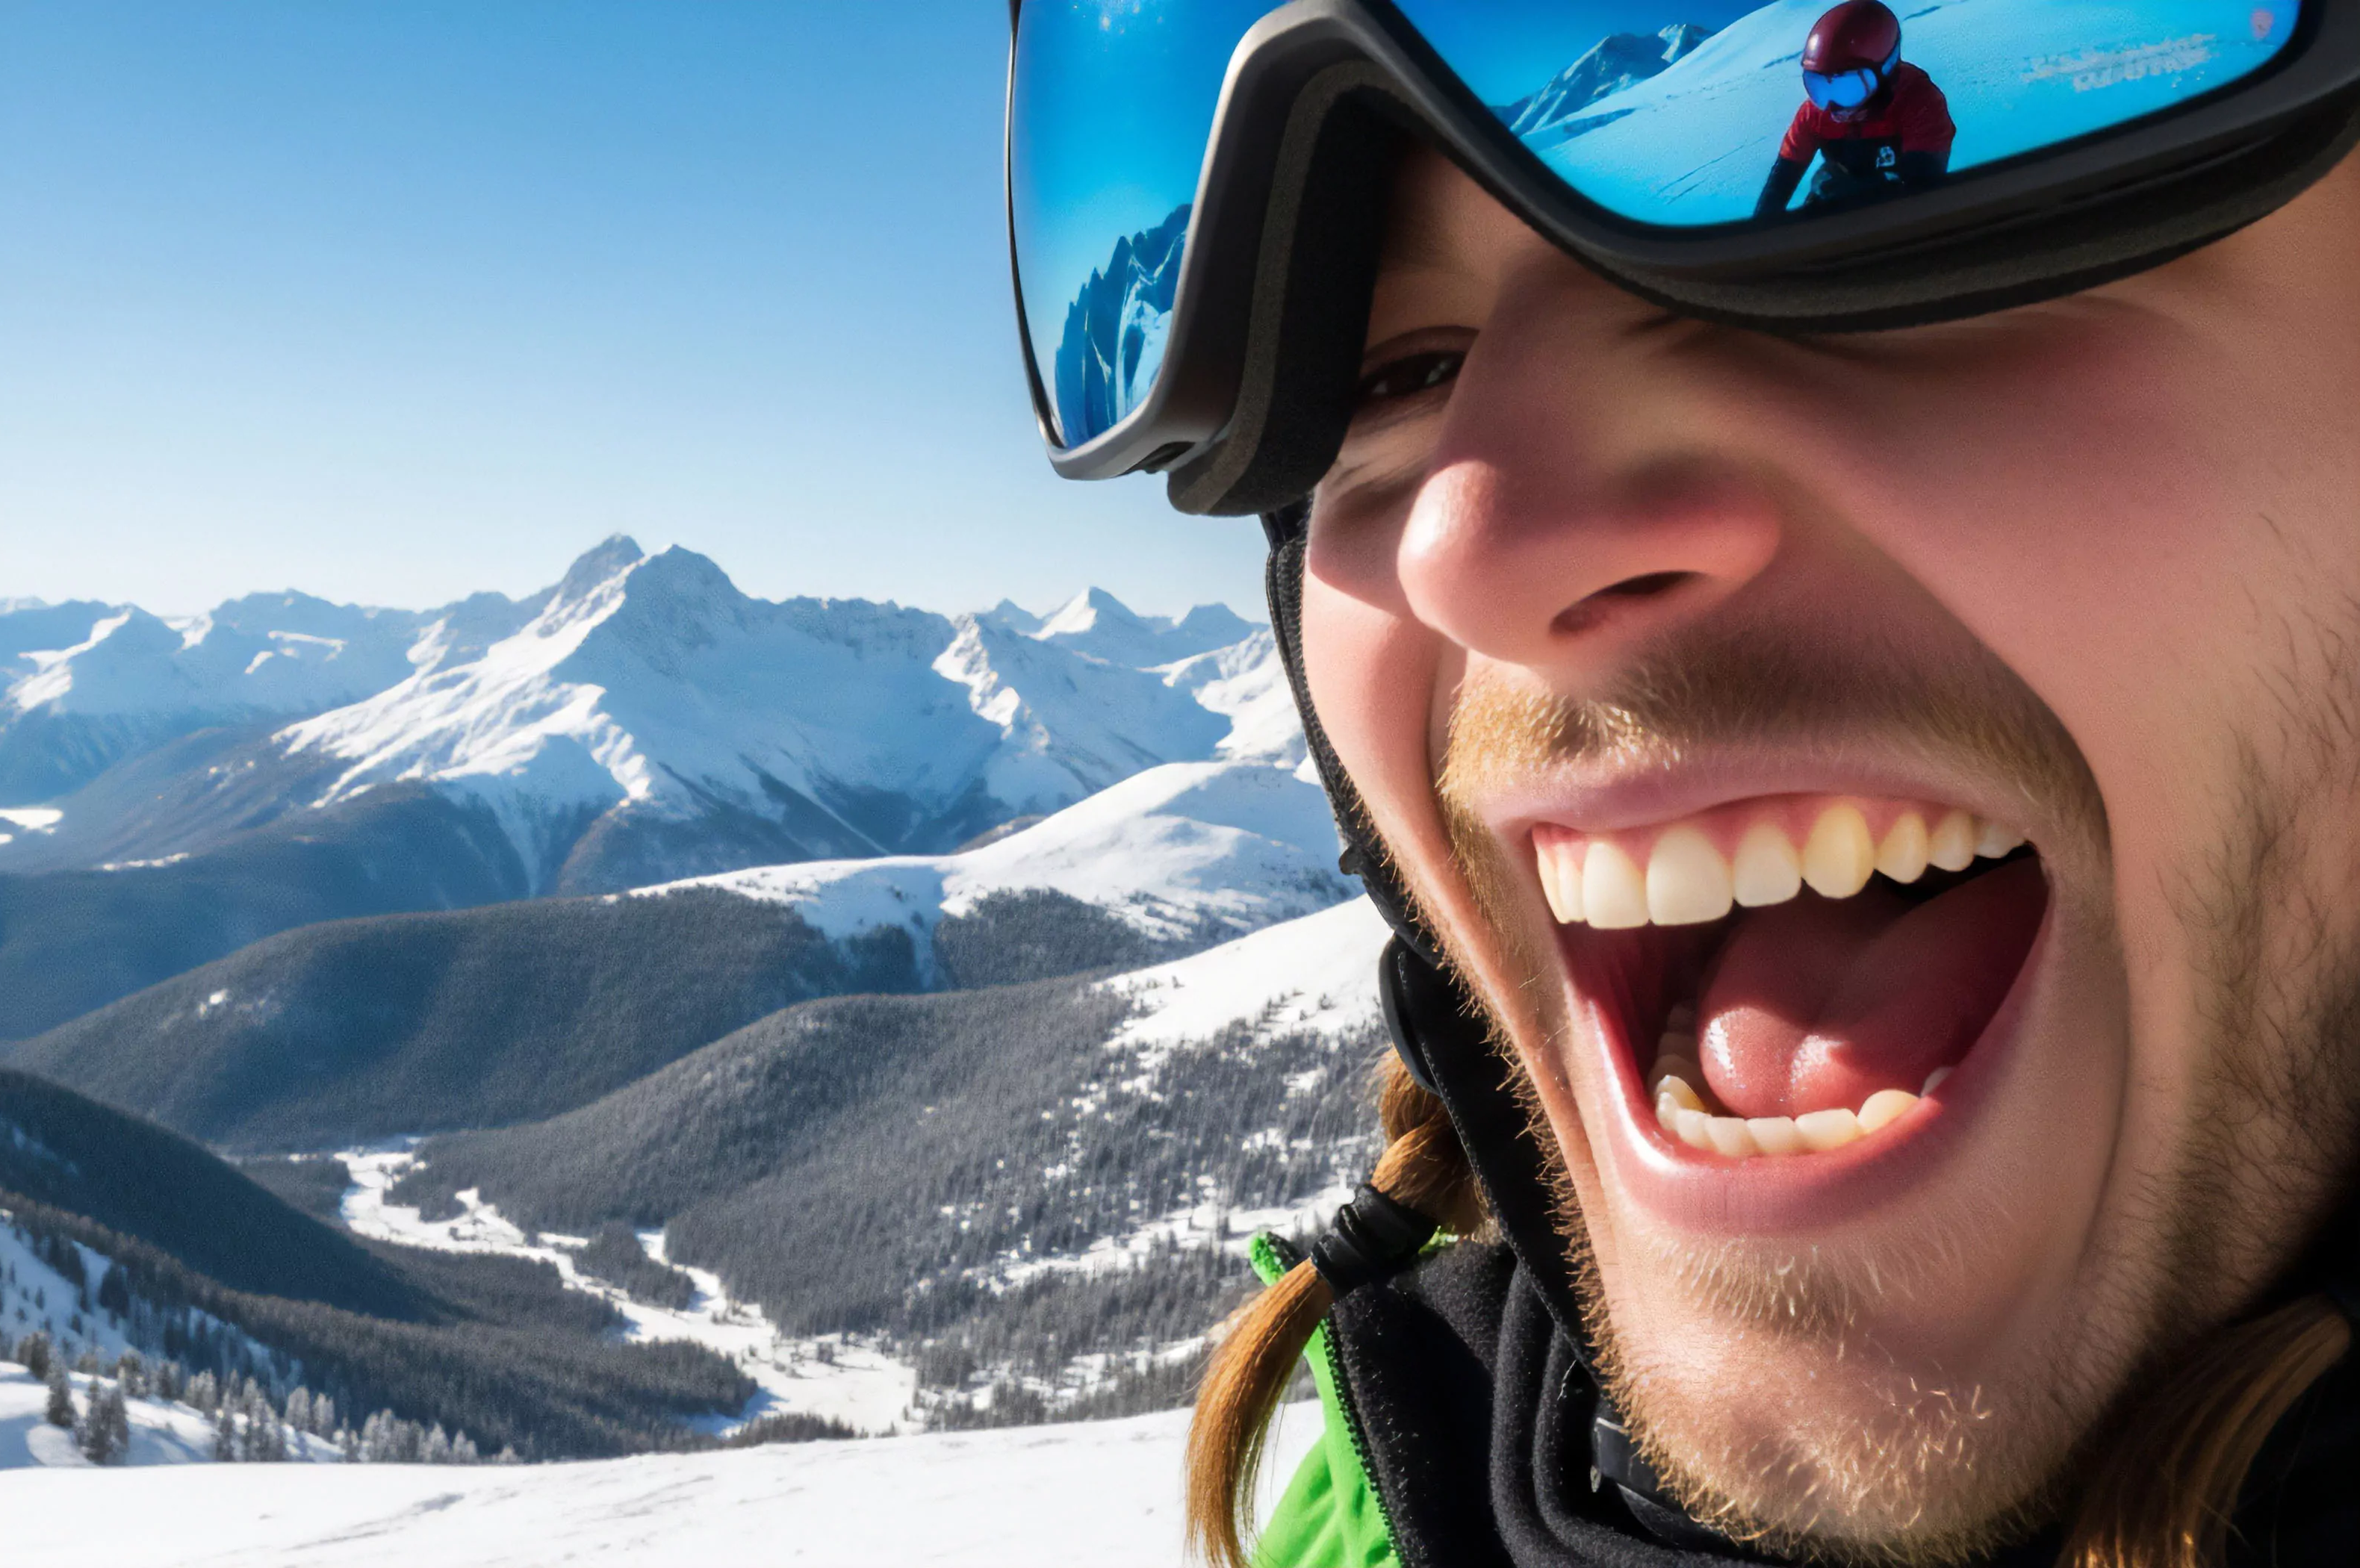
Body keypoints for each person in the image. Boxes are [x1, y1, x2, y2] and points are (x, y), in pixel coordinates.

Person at [1010, 4, 2360, 1564]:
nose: (1471, 548)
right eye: (1393, 372)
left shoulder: (1907, 105)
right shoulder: (1381, 1499)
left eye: (1891, 262)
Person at [1755, 1, 1954, 216]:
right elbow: (1782, 180)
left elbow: (1924, 196)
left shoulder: (1919, 102)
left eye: (1849, 88)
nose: (1833, 108)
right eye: (1819, 87)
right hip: (1832, 198)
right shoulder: (1814, 113)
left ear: (1887, 73)